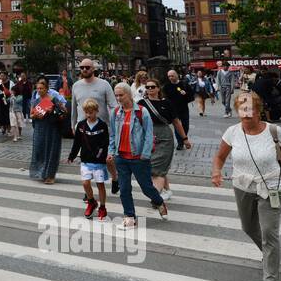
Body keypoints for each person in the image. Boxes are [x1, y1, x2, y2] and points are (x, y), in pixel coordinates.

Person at [212, 90, 281, 281]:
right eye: (242, 108)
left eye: (250, 108)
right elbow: (220, 156)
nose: (246, 112)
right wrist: (216, 172)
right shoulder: (232, 132)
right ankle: (270, 255)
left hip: (273, 186)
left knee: (269, 233)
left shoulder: (274, 131)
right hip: (243, 186)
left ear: (259, 110)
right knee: (248, 227)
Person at [109, 83, 166, 229]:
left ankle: (158, 201)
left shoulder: (142, 112)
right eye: (116, 95)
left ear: (129, 94)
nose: (118, 98)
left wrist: (145, 154)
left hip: (138, 158)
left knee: (146, 187)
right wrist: (111, 151)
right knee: (124, 188)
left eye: (121, 95)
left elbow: (148, 134)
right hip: (121, 157)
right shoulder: (115, 112)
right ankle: (129, 217)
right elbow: (113, 134)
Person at [140, 77, 191, 201]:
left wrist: (184, 138)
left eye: (153, 87)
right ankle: (166, 190)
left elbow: (176, 122)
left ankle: (155, 196)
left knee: (158, 167)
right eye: (148, 87)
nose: (150, 89)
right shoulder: (141, 104)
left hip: (164, 137)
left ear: (158, 88)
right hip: (148, 137)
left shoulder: (166, 103)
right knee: (154, 167)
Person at [66, 98, 109, 220]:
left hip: (99, 161)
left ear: (96, 111)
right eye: (87, 112)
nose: (89, 115)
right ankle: (91, 202)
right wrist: (72, 156)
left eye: (91, 112)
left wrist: (101, 155)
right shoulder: (81, 125)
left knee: (100, 185)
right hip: (85, 159)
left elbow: (105, 143)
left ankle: (102, 207)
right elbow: (77, 143)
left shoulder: (102, 125)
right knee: (85, 183)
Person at [28, 77, 68, 183]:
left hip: (52, 129)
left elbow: (64, 112)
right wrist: (35, 115)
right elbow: (31, 115)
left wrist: (53, 111)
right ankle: (41, 173)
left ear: (46, 89)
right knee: (39, 150)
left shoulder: (53, 99)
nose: (39, 90)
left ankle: (50, 175)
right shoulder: (35, 101)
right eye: (38, 88)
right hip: (39, 129)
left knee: (51, 152)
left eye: (41, 88)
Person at [70, 59, 115, 128]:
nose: (84, 69)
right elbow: (74, 109)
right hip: (82, 129)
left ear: (93, 69)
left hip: (101, 128)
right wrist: (73, 126)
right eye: (82, 67)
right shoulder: (76, 86)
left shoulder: (104, 84)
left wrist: (112, 125)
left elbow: (113, 106)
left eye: (87, 67)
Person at [164, 69, 194, 142]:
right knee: (177, 126)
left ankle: (183, 138)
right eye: (169, 76)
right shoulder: (167, 86)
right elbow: (165, 98)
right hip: (173, 110)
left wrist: (185, 94)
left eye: (172, 76)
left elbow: (191, 97)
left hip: (183, 109)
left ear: (177, 75)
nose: (171, 78)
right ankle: (180, 142)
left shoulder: (184, 84)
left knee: (185, 126)